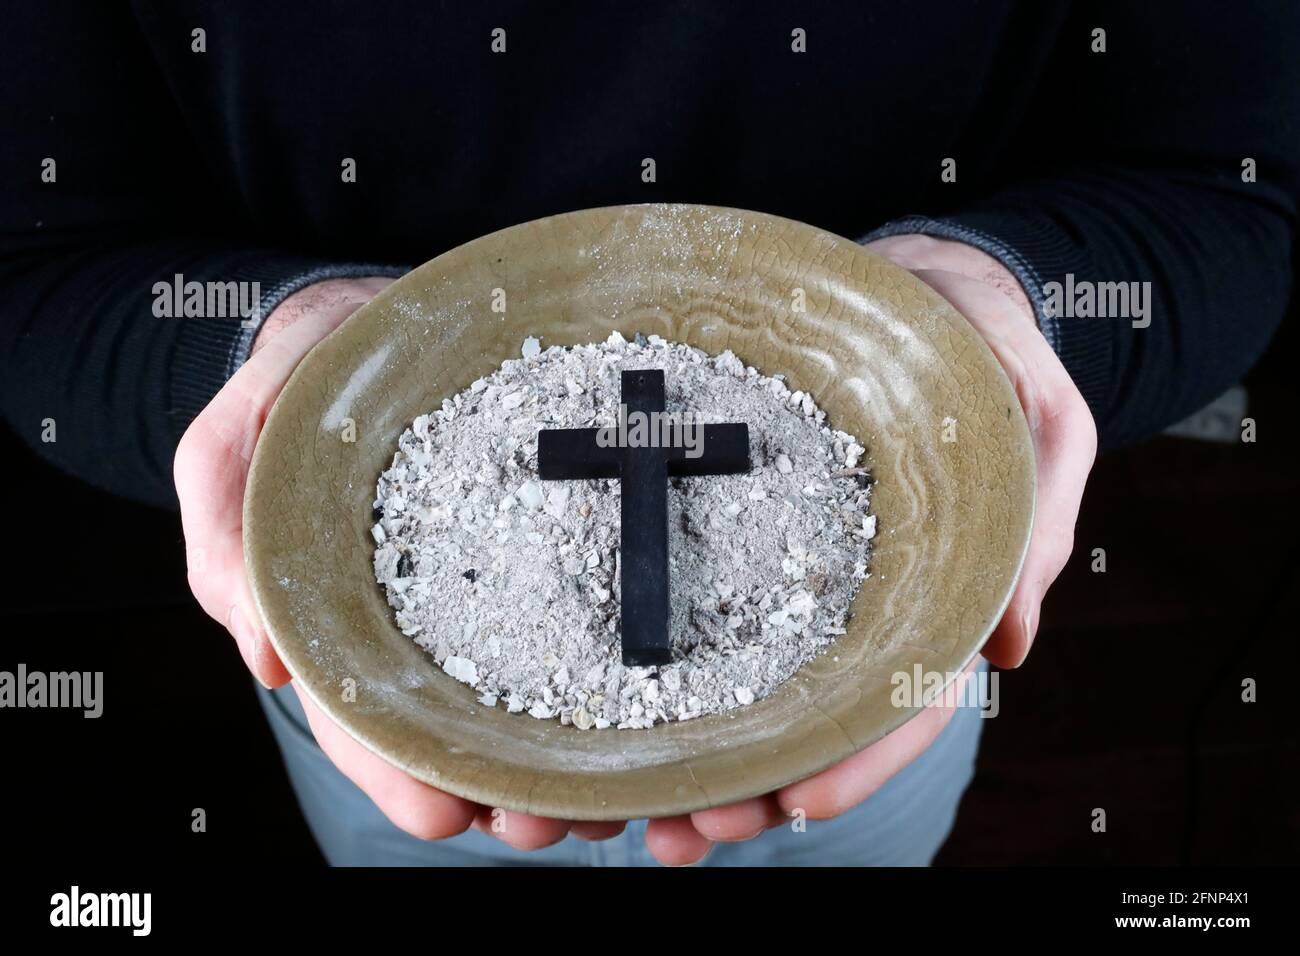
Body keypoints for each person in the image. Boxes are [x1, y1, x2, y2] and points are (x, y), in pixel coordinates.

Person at [2, 3, 1294, 866]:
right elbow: (40, 260)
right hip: (377, 718)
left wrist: (1003, 300)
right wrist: (270, 352)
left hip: (878, 684)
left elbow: (1227, 179)